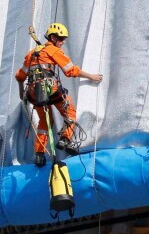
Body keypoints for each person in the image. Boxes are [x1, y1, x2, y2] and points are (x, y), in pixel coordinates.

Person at [15, 22, 102, 165]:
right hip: (52, 91)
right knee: (70, 112)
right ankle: (65, 139)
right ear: (53, 38)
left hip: (34, 94)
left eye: (64, 39)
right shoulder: (54, 51)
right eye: (61, 39)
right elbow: (70, 71)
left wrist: (21, 94)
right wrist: (91, 76)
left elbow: (19, 76)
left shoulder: (31, 54)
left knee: (44, 122)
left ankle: (39, 154)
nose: (62, 42)